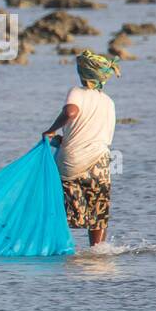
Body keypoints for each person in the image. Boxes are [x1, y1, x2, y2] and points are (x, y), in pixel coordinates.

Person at [43, 49, 120, 246]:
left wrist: (51, 130)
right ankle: (97, 252)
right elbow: (91, 133)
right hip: (101, 161)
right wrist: (62, 138)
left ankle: (55, 247)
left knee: (62, 210)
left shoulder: (77, 92)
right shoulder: (108, 102)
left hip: (73, 161)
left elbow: (71, 112)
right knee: (98, 212)